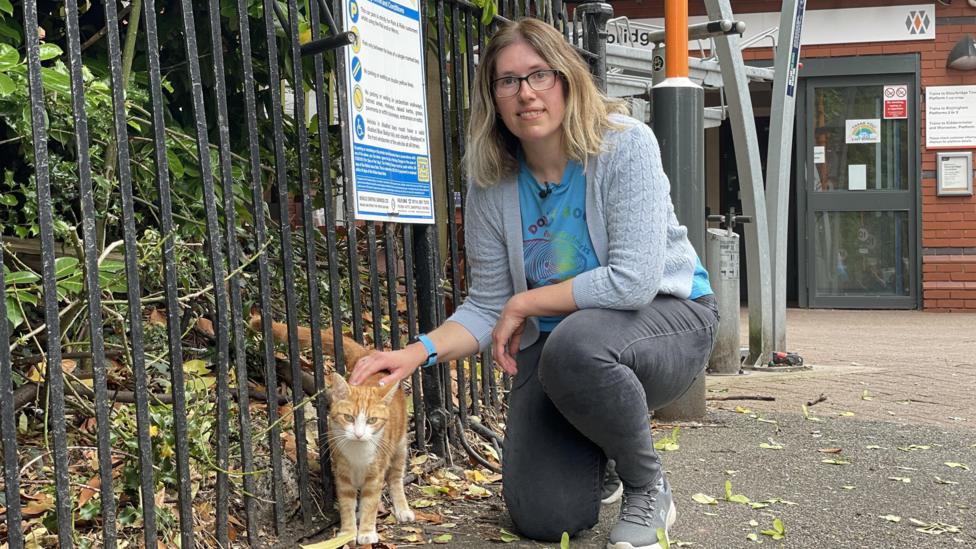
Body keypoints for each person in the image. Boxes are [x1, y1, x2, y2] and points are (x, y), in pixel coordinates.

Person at [349, 18, 718, 549]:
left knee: (575, 345)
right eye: (507, 81)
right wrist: (414, 354)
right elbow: (487, 306)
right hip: (564, 354)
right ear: (493, 98)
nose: (525, 93)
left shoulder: (623, 145)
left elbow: (634, 282)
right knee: (544, 518)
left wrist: (526, 301)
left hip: (667, 324)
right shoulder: (491, 182)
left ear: (567, 79)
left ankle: (646, 482)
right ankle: (601, 448)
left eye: (538, 75)